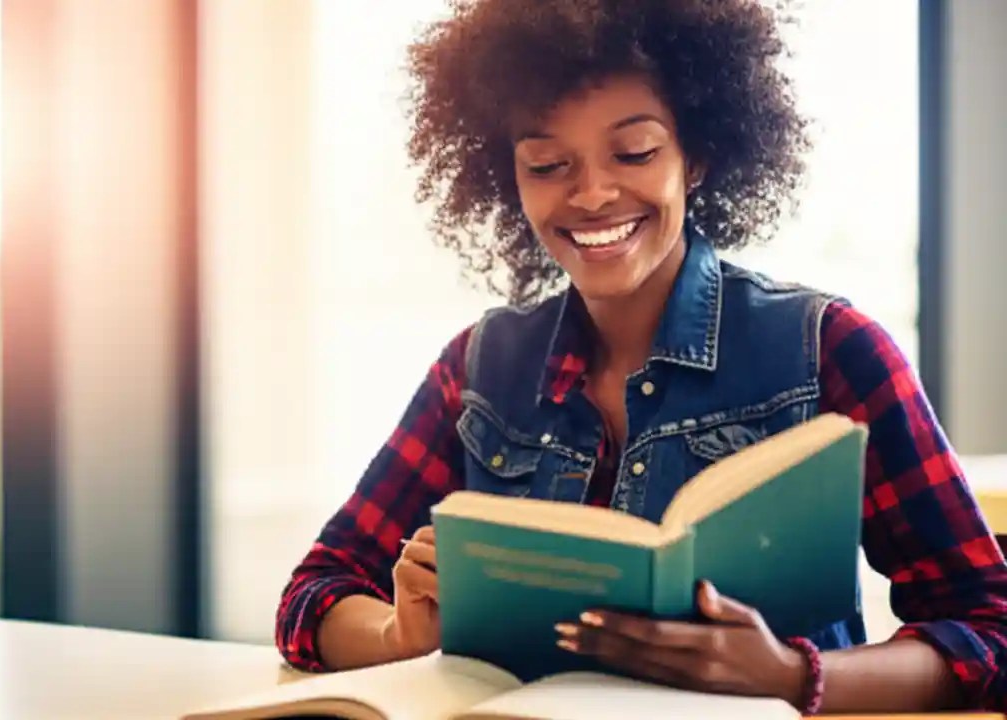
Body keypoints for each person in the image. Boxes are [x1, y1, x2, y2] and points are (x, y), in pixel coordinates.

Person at [274, 0, 1007, 714]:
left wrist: (790, 676)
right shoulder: (476, 370)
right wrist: (397, 635)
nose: (591, 194)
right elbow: (315, 593)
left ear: (698, 156)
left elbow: (989, 628)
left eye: (635, 152)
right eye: (547, 163)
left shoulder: (832, 352)